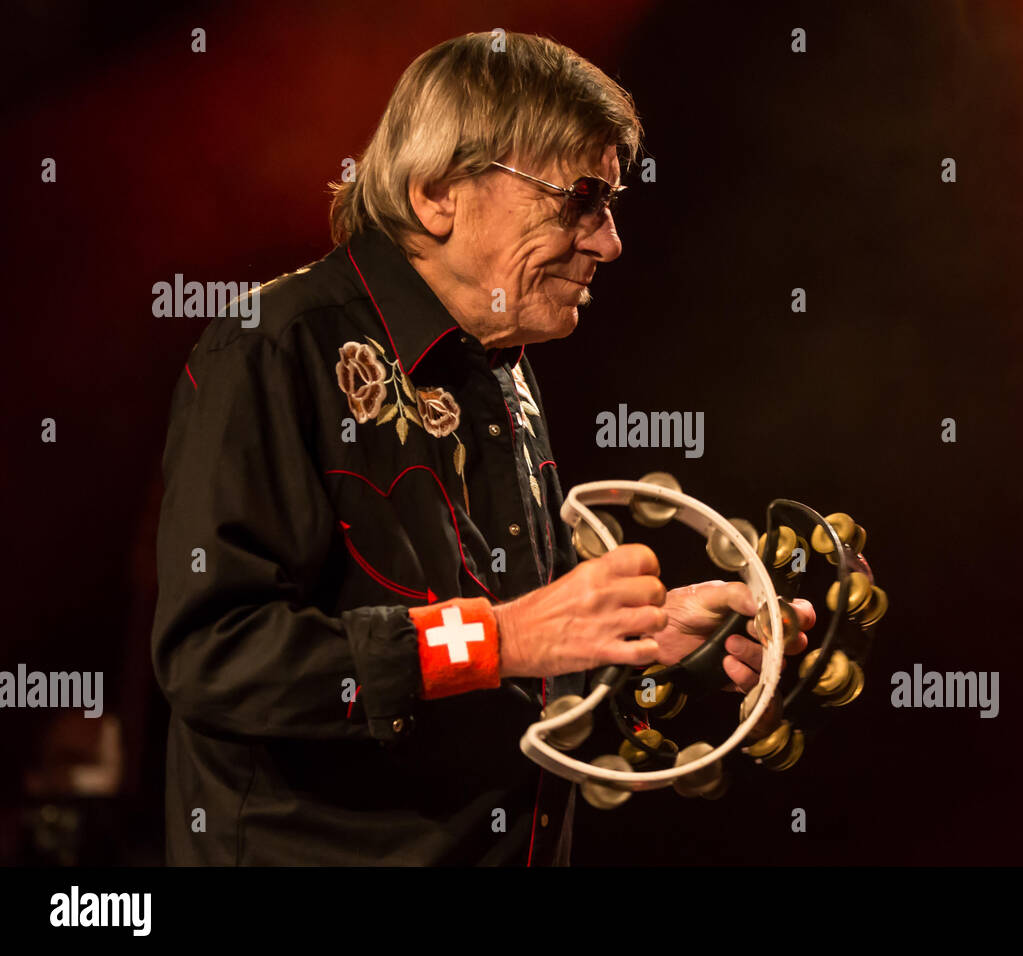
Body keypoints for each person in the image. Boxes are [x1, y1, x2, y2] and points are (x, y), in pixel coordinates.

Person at [151, 31, 812, 866]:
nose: (609, 241)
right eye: (579, 199)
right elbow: (216, 659)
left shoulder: (501, 368)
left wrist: (644, 637)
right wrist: (495, 640)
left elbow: (511, 665)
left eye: (608, 205)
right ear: (437, 193)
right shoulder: (271, 348)